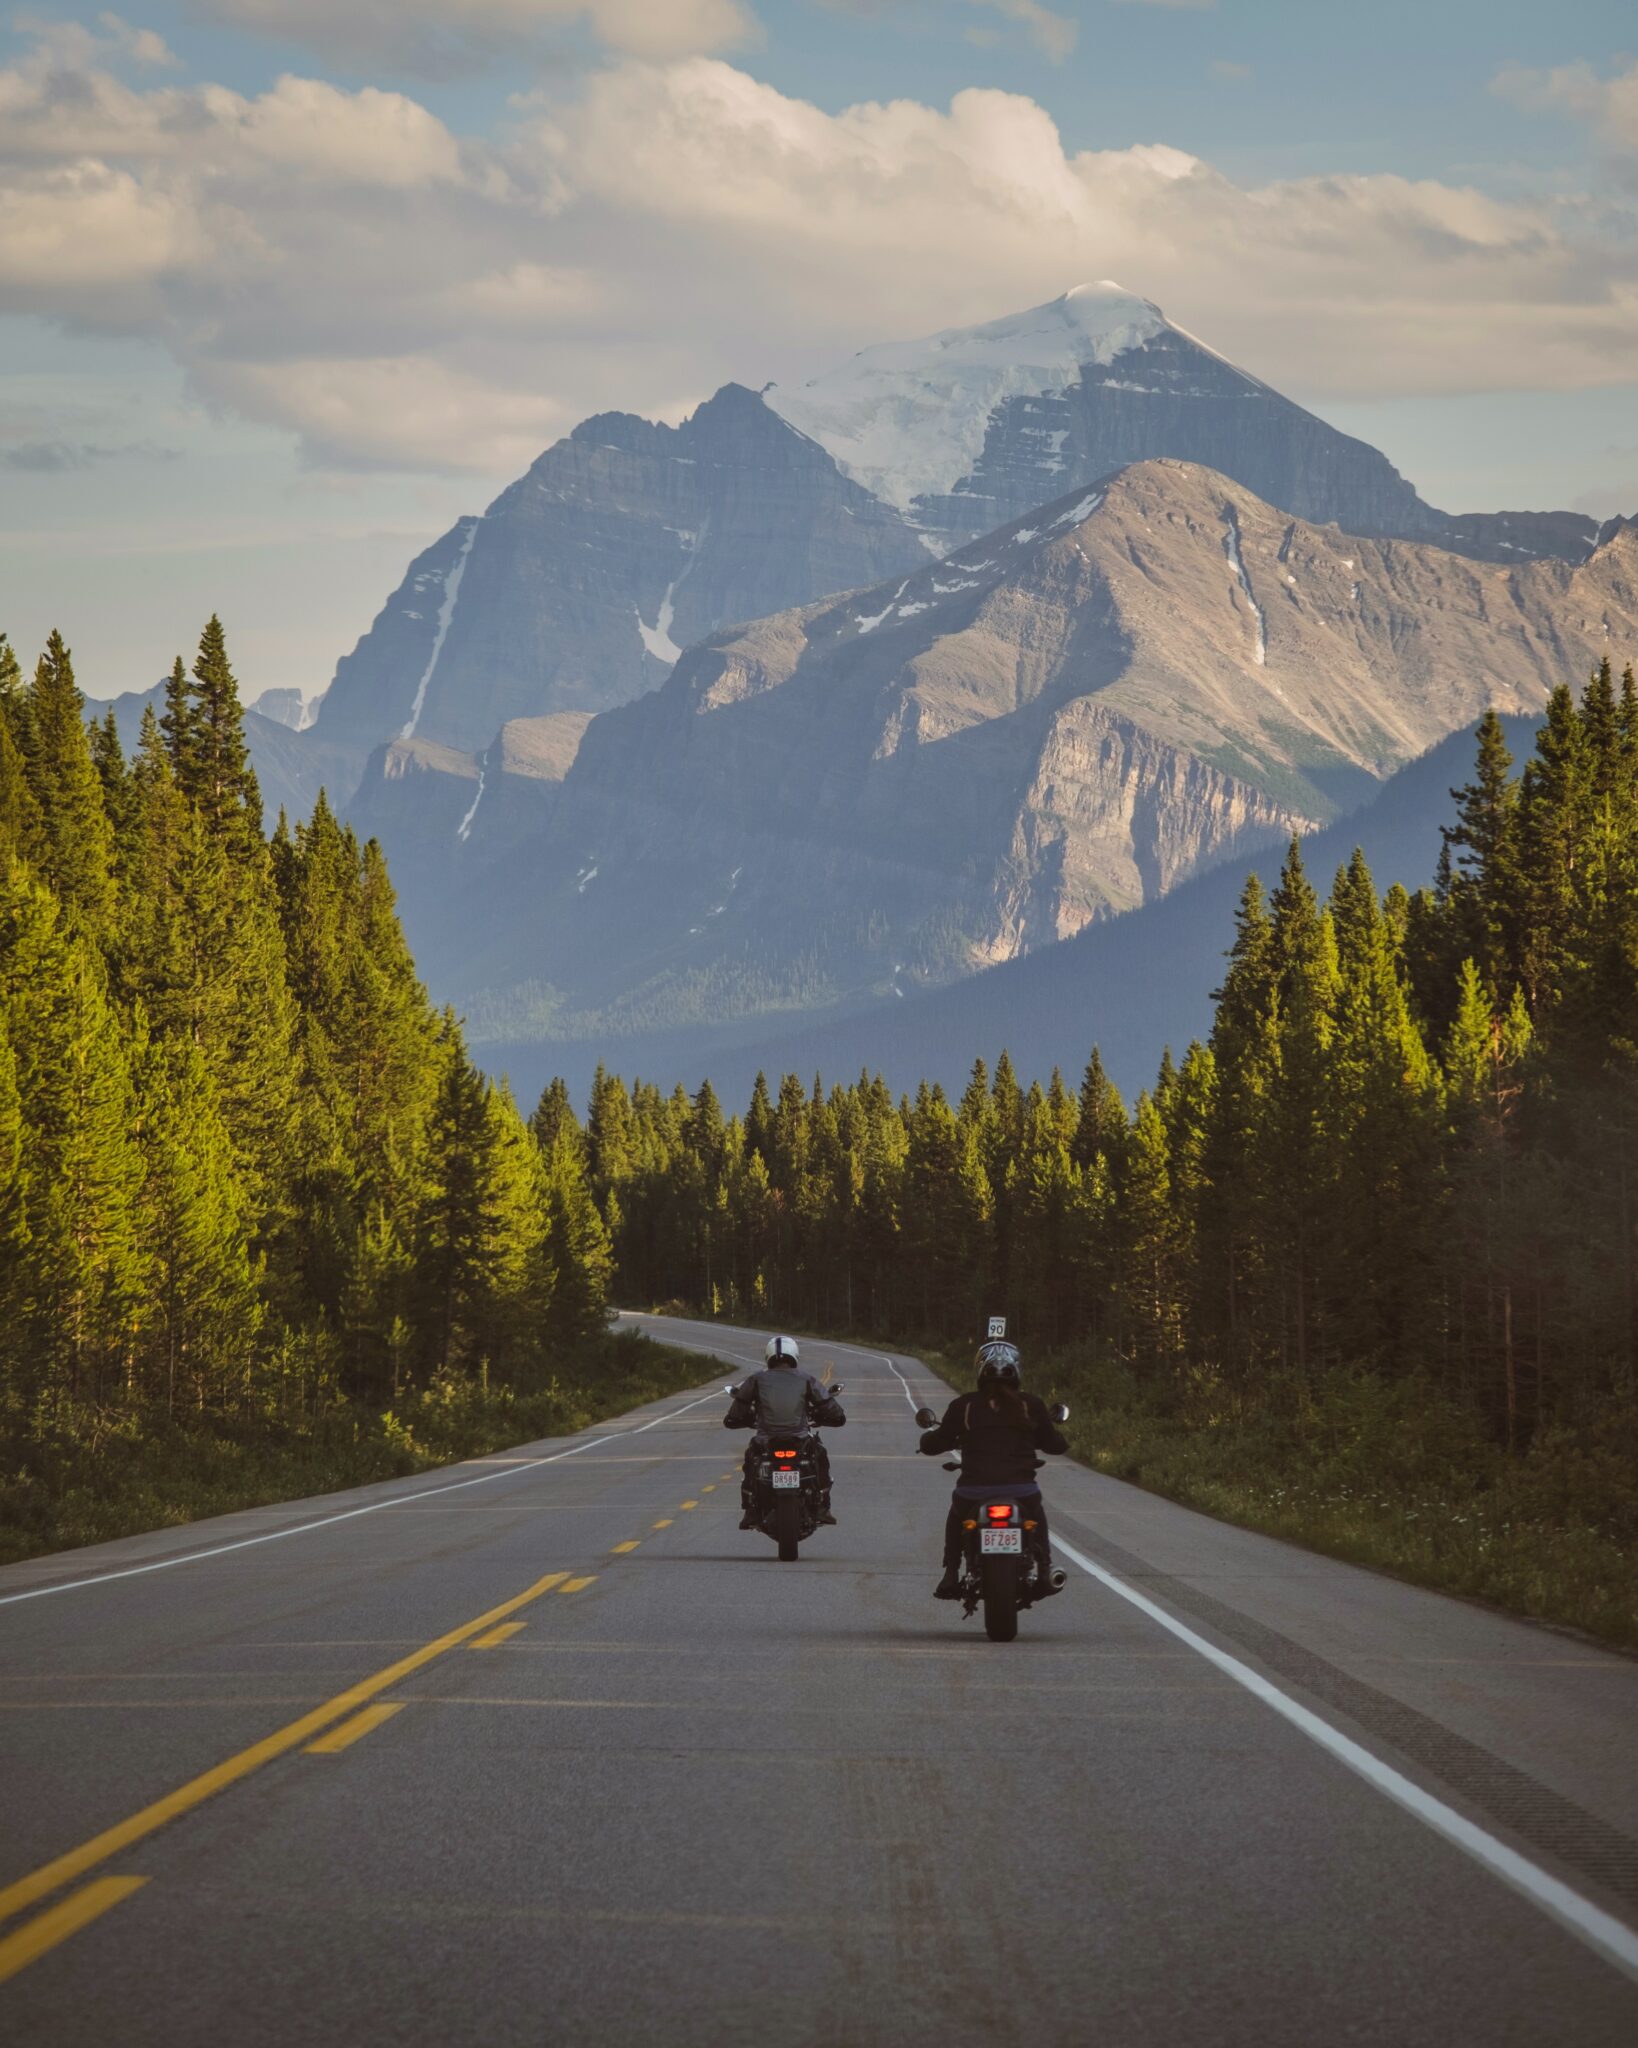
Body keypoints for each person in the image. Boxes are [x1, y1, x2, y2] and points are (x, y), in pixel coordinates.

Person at [916, 1338, 1067, 1599]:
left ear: (980, 1369)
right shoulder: (1030, 1405)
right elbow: (1054, 1444)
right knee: (1036, 1512)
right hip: (1022, 1490)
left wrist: (928, 1439)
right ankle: (1045, 1569)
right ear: (1017, 1369)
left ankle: (951, 1573)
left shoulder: (964, 1406)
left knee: (956, 1516)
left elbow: (935, 1443)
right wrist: (1057, 1440)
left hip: (973, 1491)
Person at [725, 1335, 845, 1526]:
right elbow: (826, 1403)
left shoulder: (756, 1379)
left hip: (766, 1440)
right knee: (820, 1455)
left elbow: (739, 1407)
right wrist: (836, 1416)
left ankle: (751, 1510)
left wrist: (735, 1419)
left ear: (768, 1356)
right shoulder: (806, 1379)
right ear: (794, 1355)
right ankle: (823, 1506)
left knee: (751, 1459)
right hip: (799, 1438)